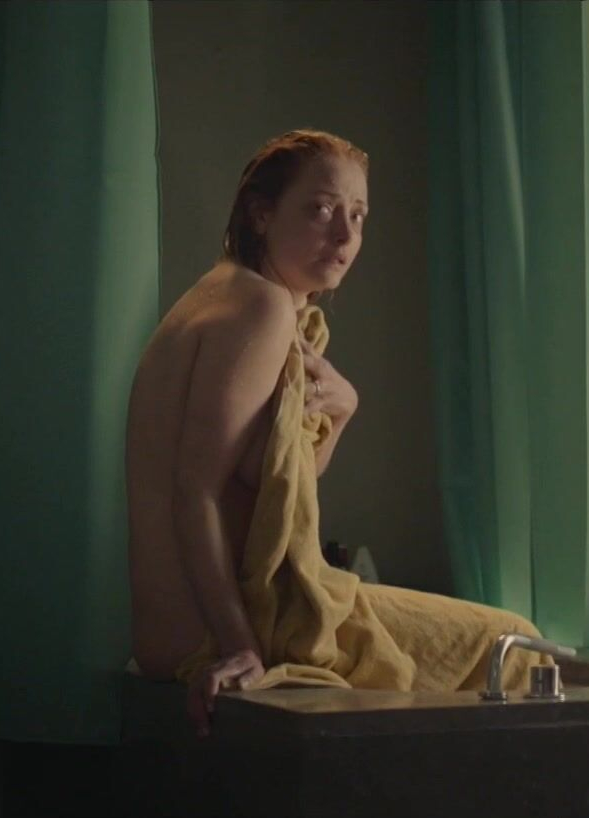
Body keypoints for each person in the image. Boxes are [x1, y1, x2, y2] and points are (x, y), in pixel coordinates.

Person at [124, 130, 368, 731]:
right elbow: (195, 491)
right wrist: (240, 647)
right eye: (321, 209)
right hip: (209, 635)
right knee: (507, 641)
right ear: (261, 215)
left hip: (175, 631)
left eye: (358, 216)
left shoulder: (226, 294)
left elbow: (274, 481)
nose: (345, 236)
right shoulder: (262, 307)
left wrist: (343, 411)